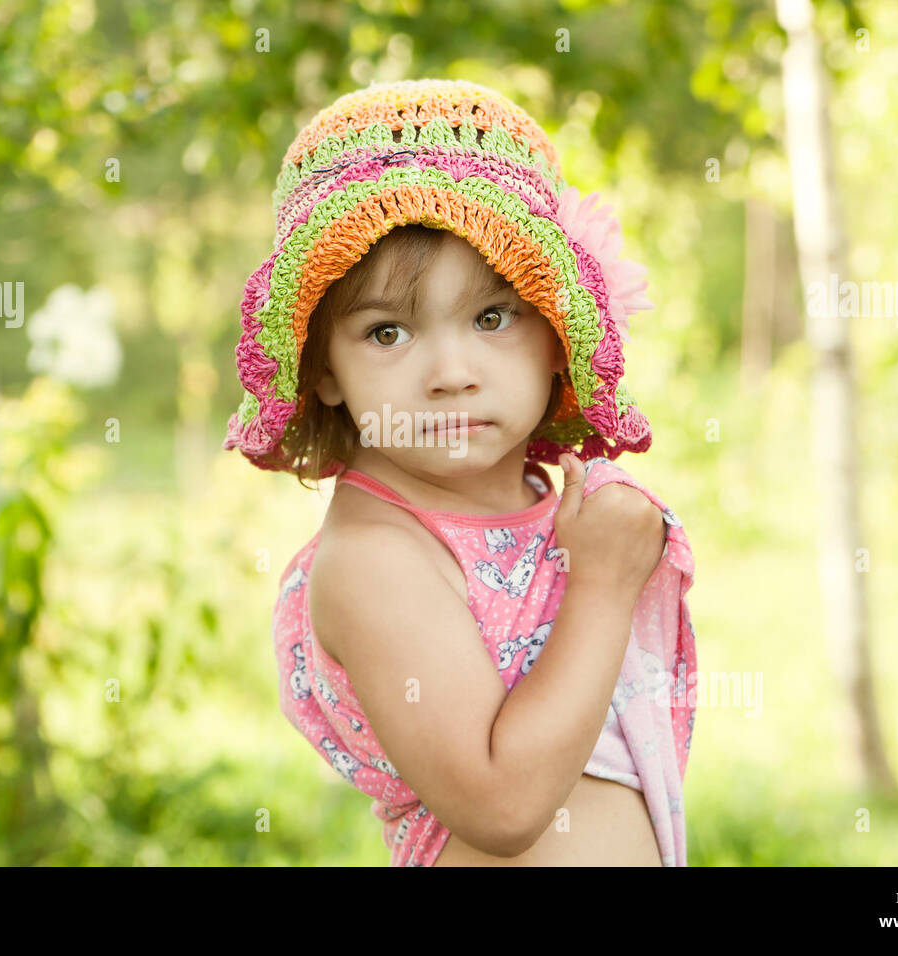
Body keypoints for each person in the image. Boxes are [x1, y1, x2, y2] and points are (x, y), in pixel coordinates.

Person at [224, 78, 699, 866]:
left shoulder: (555, 508)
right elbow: (503, 805)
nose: (450, 372)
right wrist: (605, 586)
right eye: (386, 333)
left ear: (555, 333)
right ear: (324, 368)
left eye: (491, 317)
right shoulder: (381, 557)